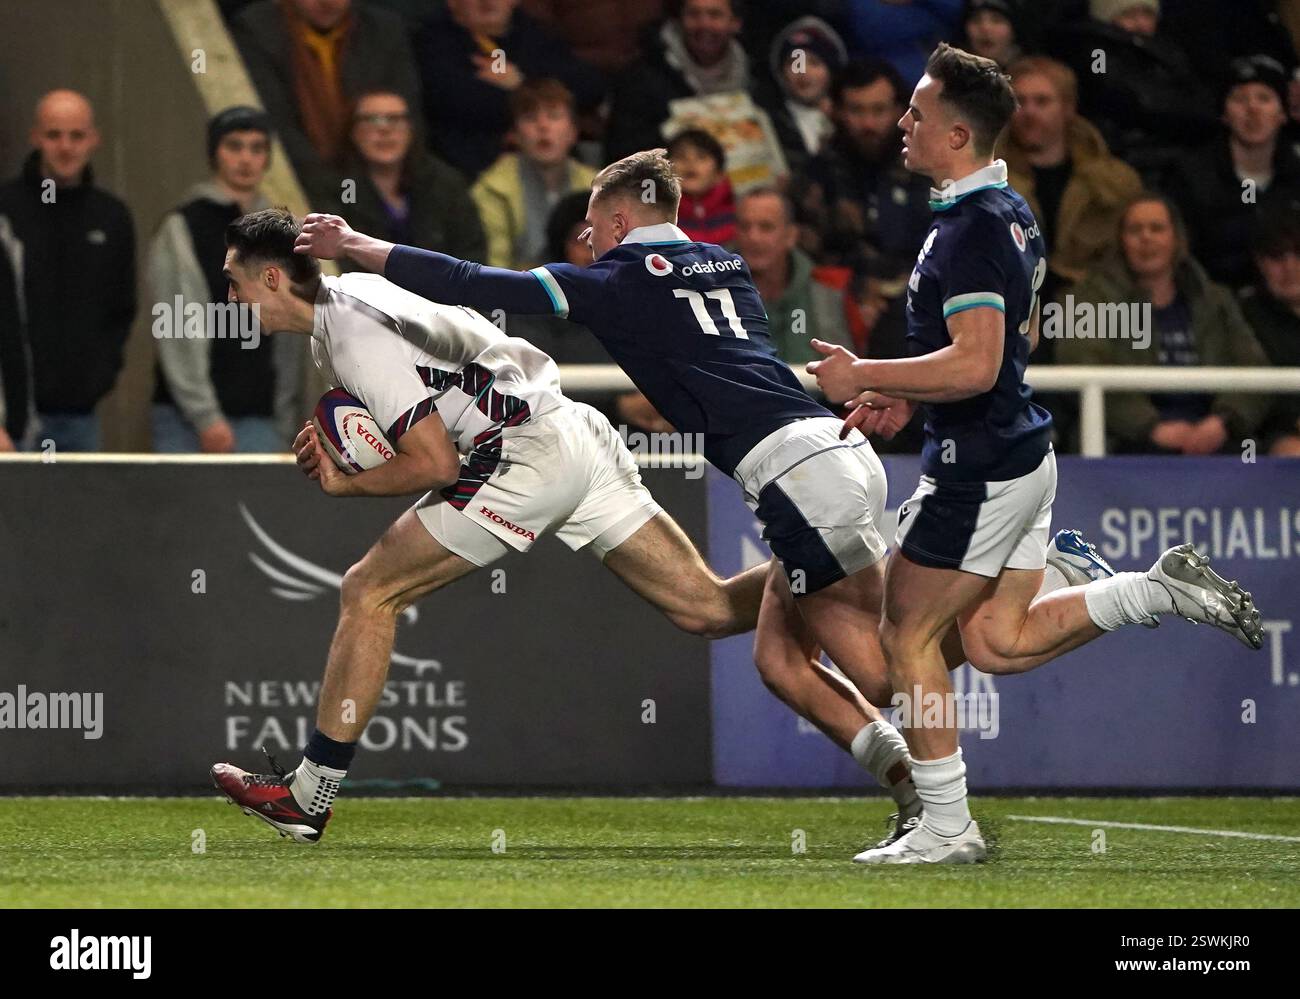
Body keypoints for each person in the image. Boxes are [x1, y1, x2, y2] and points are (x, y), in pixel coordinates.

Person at [295, 150, 969, 853]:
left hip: (796, 475)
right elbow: (709, 353)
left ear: (620, 219)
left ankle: (1030, 594)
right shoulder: (724, 263)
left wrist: (357, 246)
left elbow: (474, 282)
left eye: (592, 227)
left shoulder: (619, 279)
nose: (587, 243)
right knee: (773, 657)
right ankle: (910, 786)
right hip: (832, 447)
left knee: (886, 667)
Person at [808, 44, 1263, 865]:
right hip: (1016, 454)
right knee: (993, 642)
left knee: (906, 636)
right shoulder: (1007, 210)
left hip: (979, 466)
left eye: (915, 112)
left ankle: (946, 827)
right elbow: (1001, 349)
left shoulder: (973, 230)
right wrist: (912, 392)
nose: (904, 124)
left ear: (955, 134)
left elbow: (977, 362)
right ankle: (1148, 589)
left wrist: (863, 371)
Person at [210, 208, 768, 842]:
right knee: (710, 608)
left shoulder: (348, 333)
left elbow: (435, 462)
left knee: (369, 591)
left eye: (234, 279)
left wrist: (349, 481)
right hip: (574, 428)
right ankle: (828, 574)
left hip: (522, 452)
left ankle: (308, 795)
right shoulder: (355, 295)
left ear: (274, 278)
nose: (229, 294)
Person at [1060, 193, 1272, 455]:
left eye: (1157, 228)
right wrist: (1150, 427)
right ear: (1120, 240)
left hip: (1215, 437)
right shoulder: (1089, 299)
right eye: (1135, 229)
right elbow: (1082, 365)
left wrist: (1223, 422)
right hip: (1125, 441)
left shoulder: (1215, 299)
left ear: (1176, 238)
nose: (1146, 237)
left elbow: (1254, 366)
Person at [150, 107, 304, 453]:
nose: (245, 159)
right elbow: (178, 323)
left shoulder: (283, 229)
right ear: (214, 153)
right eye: (234, 146)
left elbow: (291, 333)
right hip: (186, 420)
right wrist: (205, 417)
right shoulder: (185, 225)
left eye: (256, 147)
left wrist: (283, 415)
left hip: (260, 416)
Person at [0, 89, 135, 453]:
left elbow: (121, 309)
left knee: (81, 511)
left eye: (76, 135)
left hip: (81, 416)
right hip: (10, 421)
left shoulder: (111, 217)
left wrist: (99, 378)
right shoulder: (6, 212)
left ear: (93, 140)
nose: (65, 147)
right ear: (35, 138)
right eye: (54, 134)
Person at [230, 0, 422, 204]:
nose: (328, 3)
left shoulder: (382, 29)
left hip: (382, 178)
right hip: (303, 179)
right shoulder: (258, 29)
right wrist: (339, 192)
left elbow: (408, 115)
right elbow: (277, 123)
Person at [415, 0, 604, 180]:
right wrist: (529, 96)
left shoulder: (534, 34)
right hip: (470, 164)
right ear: (452, 2)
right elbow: (454, 100)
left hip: (548, 165)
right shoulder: (432, 42)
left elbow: (590, 87)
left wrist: (522, 81)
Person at [1172, 55, 1300, 291]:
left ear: (1283, 114)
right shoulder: (1191, 176)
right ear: (1224, 114)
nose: (1252, 109)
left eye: (1264, 98)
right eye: (1239, 99)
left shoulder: (1295, 174)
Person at [337, 90, 486, 266]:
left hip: (440, 289)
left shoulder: (443, 183)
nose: (384, 129)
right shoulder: (341, 188)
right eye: (371, 120)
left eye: (395, 119)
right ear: (353, 132)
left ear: (411, 130)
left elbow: (471, 253)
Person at [604, 0, 750, 162]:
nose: (704, 24)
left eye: (715, 15)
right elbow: (622, 156)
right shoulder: (639, 79)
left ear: (736, 23)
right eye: (694, 15)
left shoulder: (755, 75)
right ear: (680, 20)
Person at [472, 79, 596, 269]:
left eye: (554, 116)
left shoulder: (599, 187)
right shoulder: (491, 190)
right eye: (530, 118)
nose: (543, 127)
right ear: (514, 134)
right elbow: (492, 270)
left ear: (573, 132)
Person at [734, 187, 854, 363]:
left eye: (766, 227)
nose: (753, 237)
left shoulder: (826, 291)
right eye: (745, 227)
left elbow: (846, 373)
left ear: (790, 236)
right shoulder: (711, 291)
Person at [1240, 210, 1300, 456]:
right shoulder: (1244, 316)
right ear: (1260, 262)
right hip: (1274, 433)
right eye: (1277, 257)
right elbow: (1254, 393)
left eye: (1299, 254)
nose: (1290, 267)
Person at [666, 129, 735, 245]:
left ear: (719, 173)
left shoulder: (742, 212)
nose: (690, 162)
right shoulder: (657, 218)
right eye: (680, 156)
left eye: (701, 156)